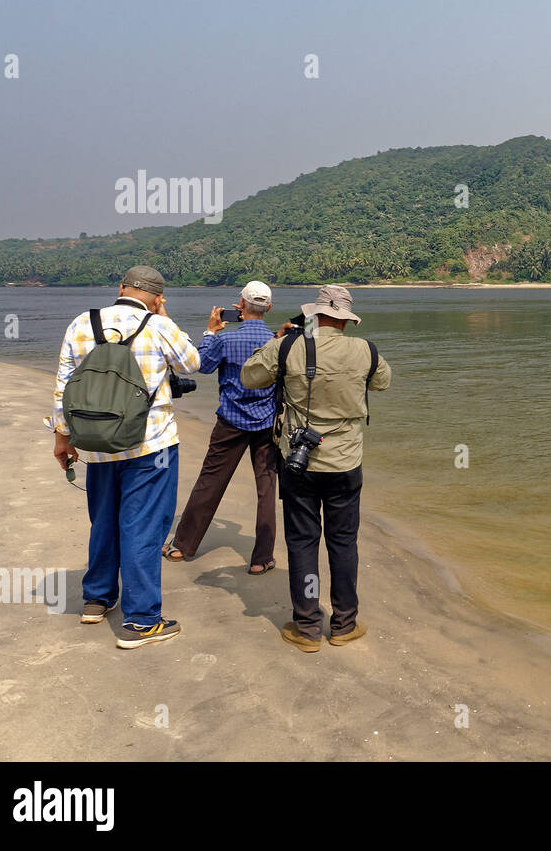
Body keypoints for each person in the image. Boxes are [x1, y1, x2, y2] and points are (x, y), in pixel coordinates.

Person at [47, 266, 202, 649]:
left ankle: (97, 599)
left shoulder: (83, 323)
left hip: (97, 445)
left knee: (103, 522)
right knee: (144, 528)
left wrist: (62, 437)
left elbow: (64, 387)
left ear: (121, 288)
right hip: (152, 447)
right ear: (157, 296)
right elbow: (192, 363)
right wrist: (165, 318)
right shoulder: (159, 325)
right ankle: (142, 621)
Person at [241, 285, 390, 653]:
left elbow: (249, 377)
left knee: (303, 541)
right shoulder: (365, 350)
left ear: (313, 314)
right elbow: (383, 382)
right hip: (346, 463)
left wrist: (276, 342)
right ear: (345, 319)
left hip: (298, 462)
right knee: (343, 542)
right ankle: (344, 624)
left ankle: (307, 626)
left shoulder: (288, 345)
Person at [163, 282, 279, 573]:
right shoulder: (278, 343)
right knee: (266, 487)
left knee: (210, 481)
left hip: (231, 419)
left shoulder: (227, 340)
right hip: (267, 421)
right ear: (269, 308)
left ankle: (183, 546)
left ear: (240, 306)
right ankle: (262, 558)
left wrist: (210, 331)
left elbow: (201, 365)